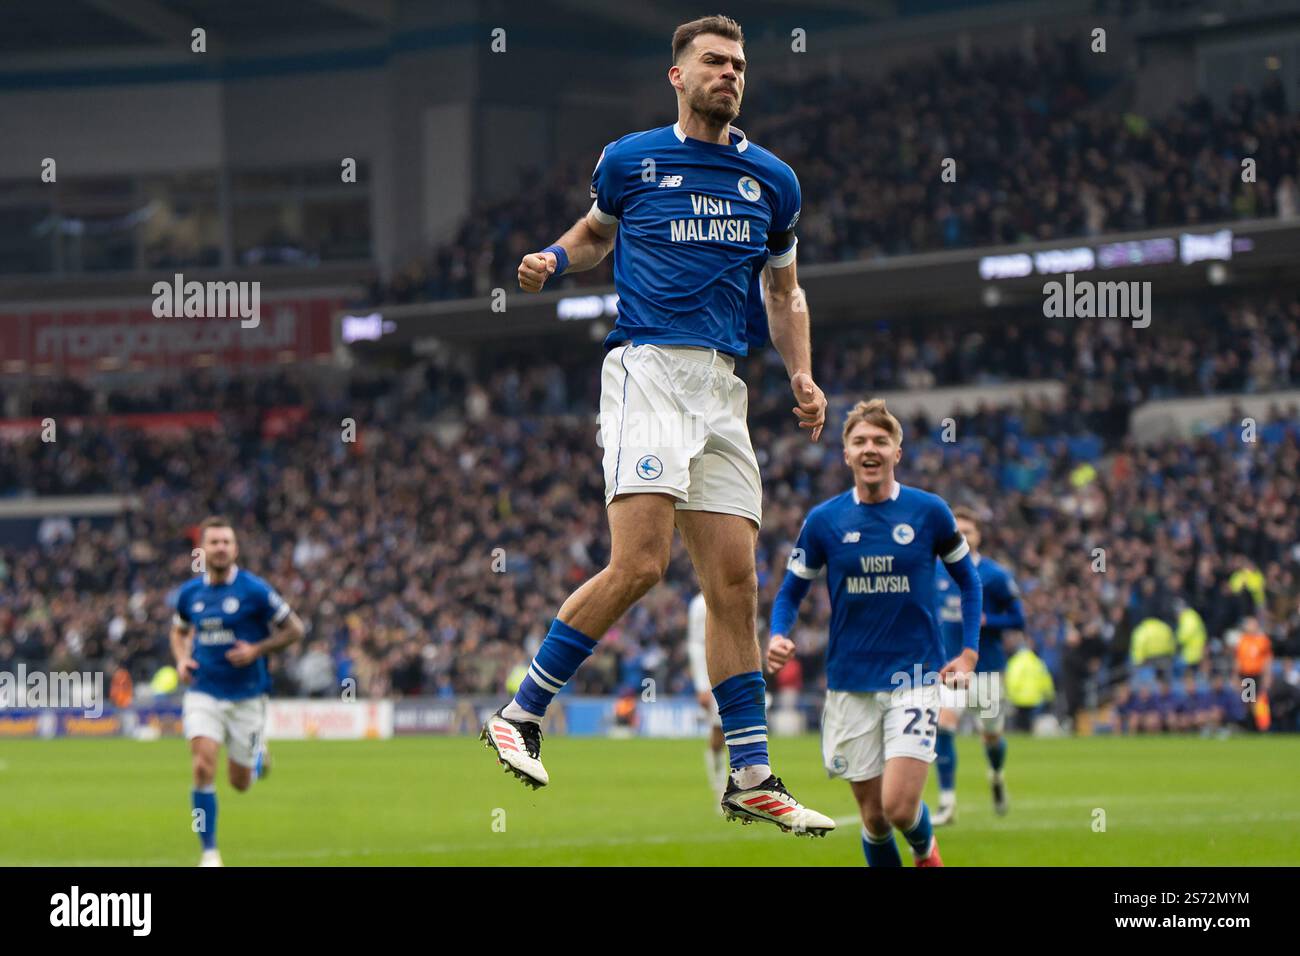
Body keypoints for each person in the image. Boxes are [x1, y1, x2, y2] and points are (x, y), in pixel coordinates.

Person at [483, 14, 835, 836]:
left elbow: (784, 293)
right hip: (648, 370)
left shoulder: (773, 181)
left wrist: (803, 373)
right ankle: (521, 711)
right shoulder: (630, 159)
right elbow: (595, 235)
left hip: (724, 388)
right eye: (713, 62)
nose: (729, 74)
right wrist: (553, 258)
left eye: (739, 65)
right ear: (676, 76)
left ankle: (749, 775)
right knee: (639, 565)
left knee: (737, 586)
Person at [767, 400, 984, 866]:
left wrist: (968, 654)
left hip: (914, 678)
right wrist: (778, 634)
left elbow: (969, 580)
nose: (871, 449)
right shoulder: (824, 521)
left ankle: (927, 853)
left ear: (897, 453)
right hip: (849, 682)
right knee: (874, 818)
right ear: (845, 453)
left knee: (899, 807)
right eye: (860, 441)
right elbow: (789, 592)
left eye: (881, 441)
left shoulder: (929, 512)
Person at [170, 517, 305, 867]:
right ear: (202, 549)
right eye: (214, 542)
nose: (220, 548)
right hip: (204, 691)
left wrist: (257, 650)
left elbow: (296, 629)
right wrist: (183, 660)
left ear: (235, 548)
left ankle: (258, 753)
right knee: (202, 766)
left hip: (247, 695)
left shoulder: (255, 590)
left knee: (240, 783)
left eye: (226, 542)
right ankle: (210, 851)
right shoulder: (190, 594)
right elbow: (179, 631)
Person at [931, 505, 1024, 825]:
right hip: (949, 669)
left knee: (992, 735)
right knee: (943, 726)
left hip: (986, 670)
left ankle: (996, 775)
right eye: (958, 531)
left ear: (979, 536)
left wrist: (988, 620)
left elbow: (1019, 618)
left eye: (968, 531)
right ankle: (947, 804)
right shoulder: (935, 571)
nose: (963, 537)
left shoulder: (995, 575)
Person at [687, 592, 727, 803]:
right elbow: (696, 644)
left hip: (736, 670)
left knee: (743, 731)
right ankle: (720, 786)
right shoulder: (699, 604)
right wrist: (702, 685)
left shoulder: (734, 592)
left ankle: (745, 785)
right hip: (714, 674)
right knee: (719, 733)